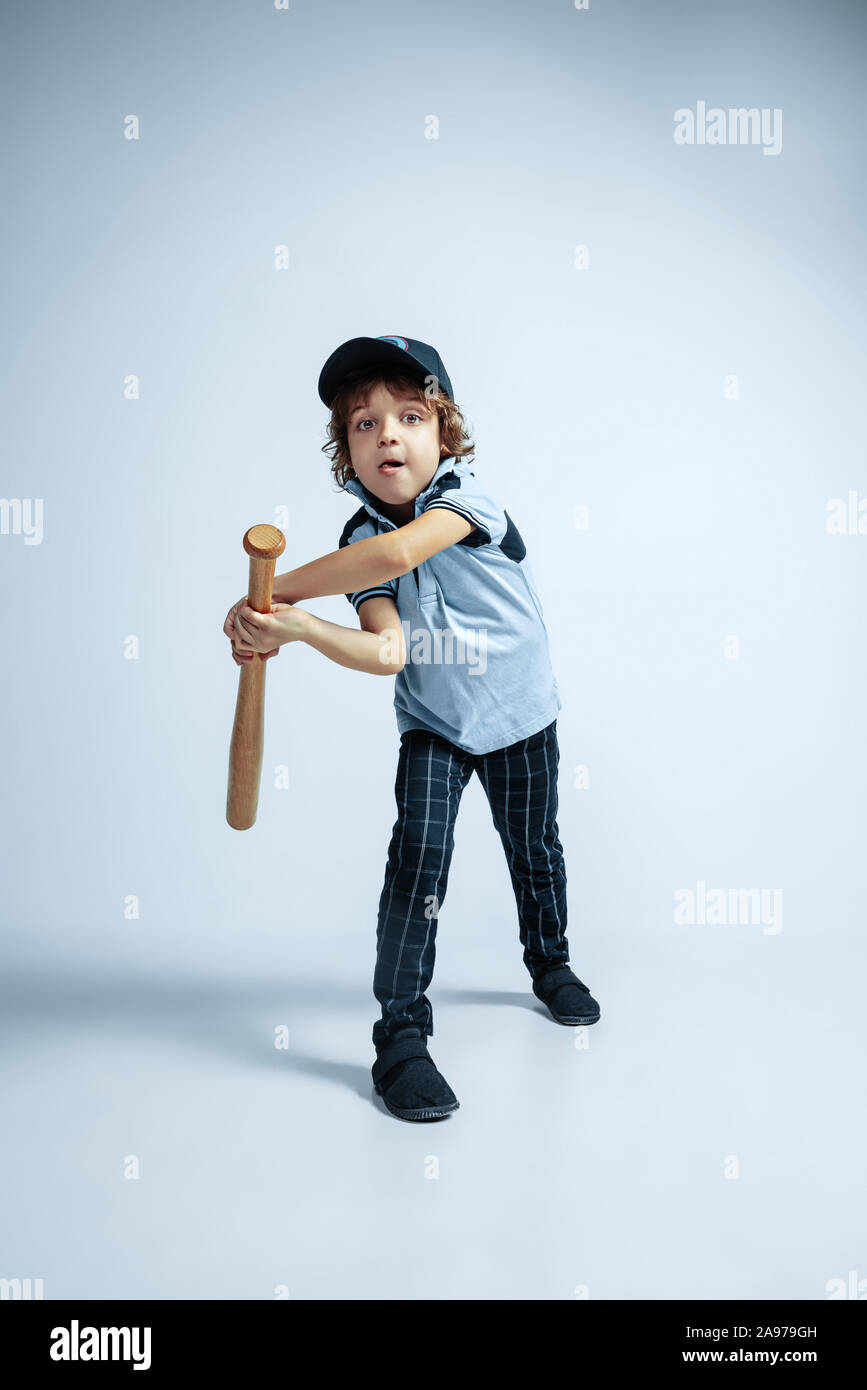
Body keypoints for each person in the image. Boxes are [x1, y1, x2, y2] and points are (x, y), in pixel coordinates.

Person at [223, 335, 601, 1122]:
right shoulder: (363, 540)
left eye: (407, 415)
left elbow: (398, 551)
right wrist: (296, 629)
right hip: (435, 723)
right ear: (346, 452)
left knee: (533, 848)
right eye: (362, 424)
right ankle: (399, 1041)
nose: (385, 433)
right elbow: (387, 650)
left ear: (445, 433)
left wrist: (271, 591)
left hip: (520, 716)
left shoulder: (468, 501)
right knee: (416, 861)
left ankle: (549, 962)